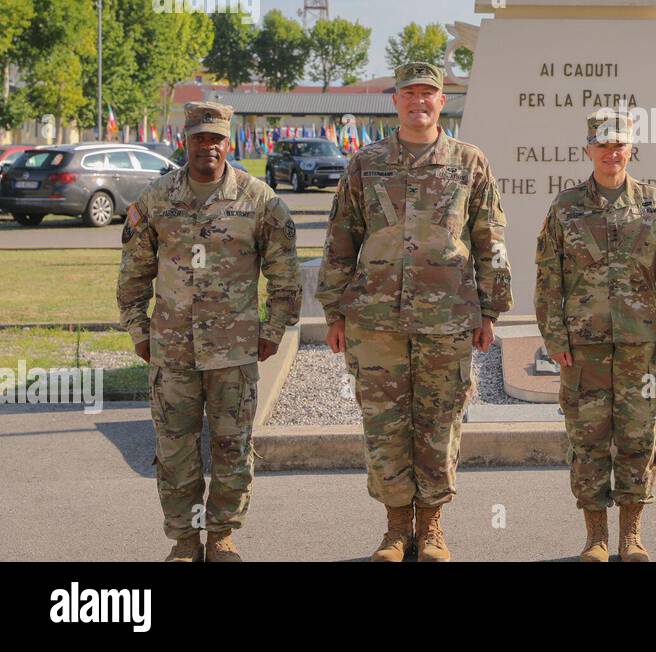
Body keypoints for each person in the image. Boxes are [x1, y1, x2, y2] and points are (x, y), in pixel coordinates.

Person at [317, 61, 512, 562]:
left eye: (428, 93)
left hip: (447, 321)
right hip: (375, 323)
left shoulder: (470, 164)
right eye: (409, 93)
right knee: (384, 426)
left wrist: (490, 311)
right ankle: (394, 529)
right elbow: (341, 239)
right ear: (396, 101)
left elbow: (490, 241)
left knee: (440, 424)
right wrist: (334, 312)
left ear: (442, 101)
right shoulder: (367, 163)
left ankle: (432, 527)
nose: (418, 101)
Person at [118, 100, 301, 562]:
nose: (208, 146)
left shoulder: (258, 200)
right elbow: (133, 276)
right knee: (175, 452)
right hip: (172, 353)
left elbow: (285, 276)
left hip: (234, 353)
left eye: (216, 137)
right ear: (186, 140)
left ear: (229, 141)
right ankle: (184, 540)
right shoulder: (157, 199)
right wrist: (140, 331)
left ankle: (221, 536)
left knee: (232, 451)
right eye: (199, 137)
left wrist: (274, 329)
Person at [535, 110, 656, 561]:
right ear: (588, 149)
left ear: (631, 149)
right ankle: (595, 537)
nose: (611, 152)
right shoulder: (566, 207)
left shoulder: (653, 204)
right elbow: (548, 278)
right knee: (587, 440)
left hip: (641, 348)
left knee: (638, 439)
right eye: (602, 145)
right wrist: (555, 338)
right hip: (582, 349)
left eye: (619, 144)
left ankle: (631, 534)